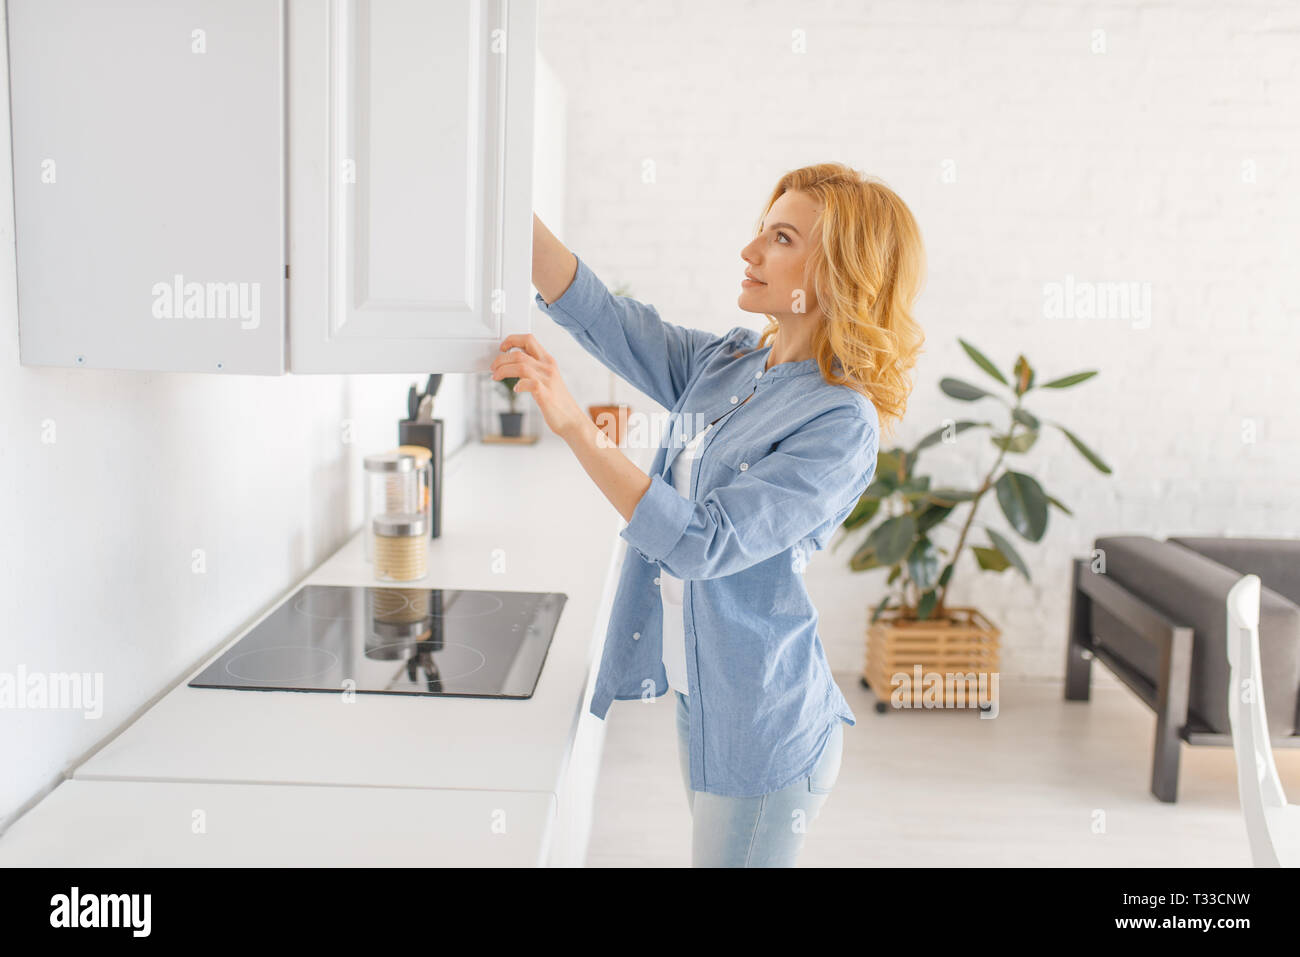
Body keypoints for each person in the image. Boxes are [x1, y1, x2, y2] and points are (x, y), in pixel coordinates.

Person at [491, 162, 925, 866]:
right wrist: (495, 197)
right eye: (761, 230)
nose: (750, 252)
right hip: (707, 701)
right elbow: (604, 316)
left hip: (764, 723)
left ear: (840, 272)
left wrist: (571, 419)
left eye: (780, 237)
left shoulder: (842, 421)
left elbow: (701, 543)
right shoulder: (730, 362)